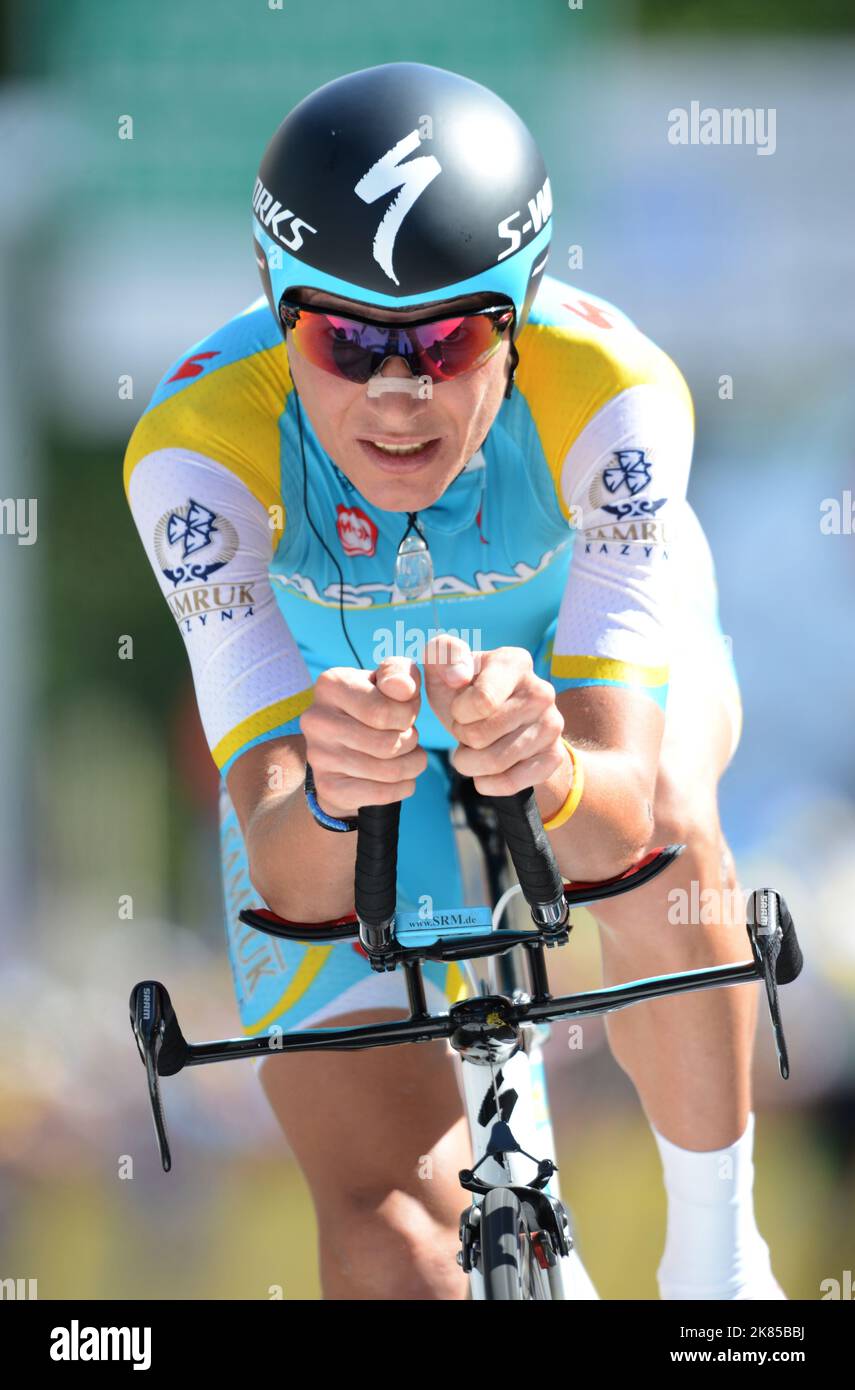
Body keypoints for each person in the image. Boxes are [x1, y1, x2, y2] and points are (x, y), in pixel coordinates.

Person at [124, 61, 783, 1301]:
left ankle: (721, 1268)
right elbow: (284, 861)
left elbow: (620, 814)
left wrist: (557, 765)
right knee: (393, 1246)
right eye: (343, 339)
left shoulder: (617, 398)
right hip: (342, 730)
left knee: (661, 827)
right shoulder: (194, 454)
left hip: (579, 685)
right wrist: (328, 795)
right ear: (273, 303)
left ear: (523, 310)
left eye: (449, 337)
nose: (398, 394)